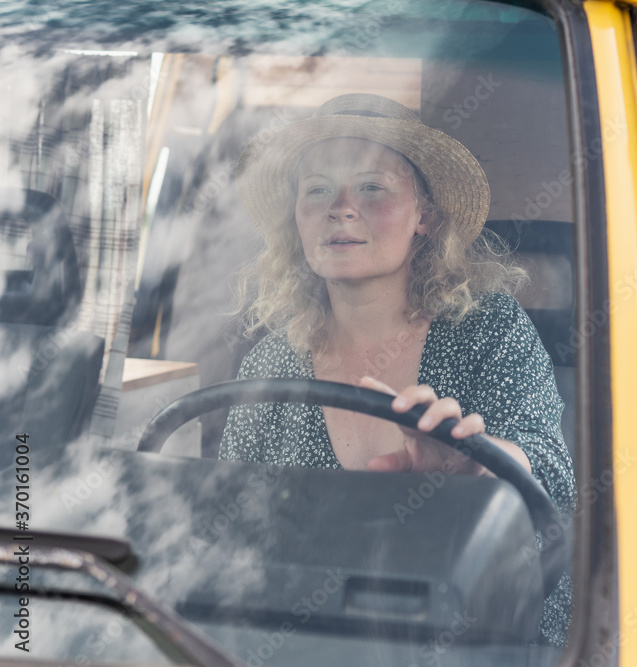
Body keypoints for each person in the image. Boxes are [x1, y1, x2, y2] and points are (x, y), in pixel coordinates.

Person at [220, 93, 574, 645]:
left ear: (425, 217)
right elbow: (231, 537)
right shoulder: (268, 365)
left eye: (371, 186)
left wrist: (478, 467)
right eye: (316, 189)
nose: (340, 206)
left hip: (485, 639)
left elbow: (554, 480)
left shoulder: (489, 329)